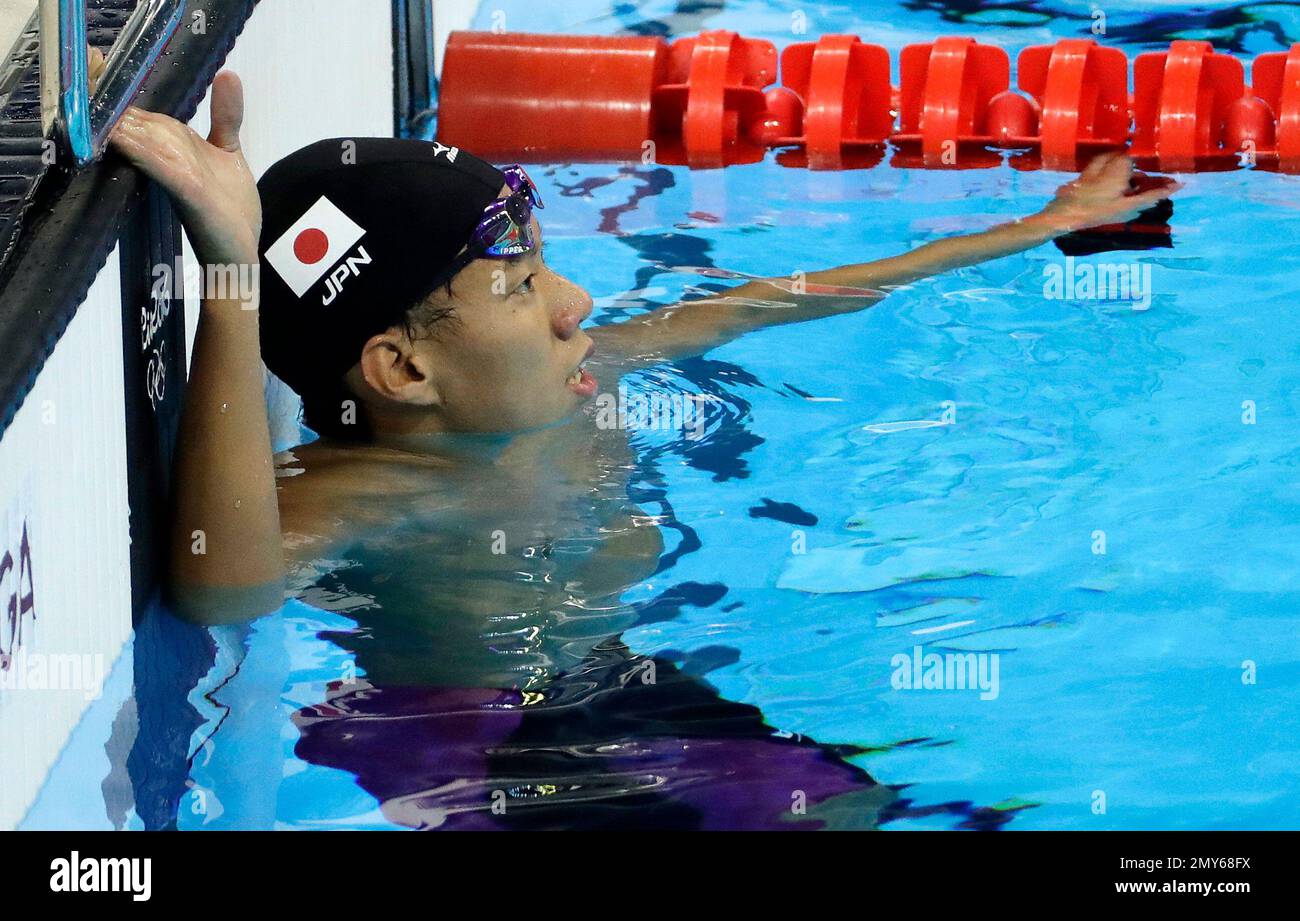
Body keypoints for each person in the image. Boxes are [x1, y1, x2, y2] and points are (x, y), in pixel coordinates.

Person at [109, 71, 1176, 829]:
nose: (577, 306)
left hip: (612, 683)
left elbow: (783, 300)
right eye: (522, 289)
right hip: (467, 750)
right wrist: (232, 277)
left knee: (849, 813)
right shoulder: (377, 491)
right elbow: (222, 589)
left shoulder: (580, 379)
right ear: (402, 373)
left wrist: (1039, 224)